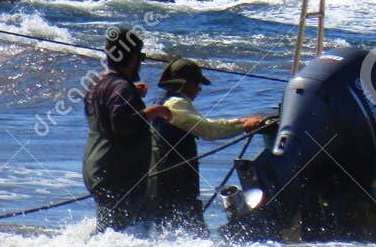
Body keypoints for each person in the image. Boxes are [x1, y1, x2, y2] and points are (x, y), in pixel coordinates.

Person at [150, 59, 269, 231]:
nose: (199, 88)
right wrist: (243, 125)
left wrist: (241, 121)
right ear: (185, 84)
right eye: (197, 83)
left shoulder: (166, 101)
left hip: (164, 181)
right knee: (193, 232)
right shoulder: (176, 104)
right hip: (176, 184)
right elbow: (208, 130)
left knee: (169, 231)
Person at [82, 27, 172, 231]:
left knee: (110, 230)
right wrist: (154, 111)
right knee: (119, 233)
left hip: (96, 167)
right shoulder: (121, 87)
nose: (140, 62)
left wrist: (132, 94)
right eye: (140, 56)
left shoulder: (96, 84)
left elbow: (105, 113)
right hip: (116, 172)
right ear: (132, 58)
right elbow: (121, 124)